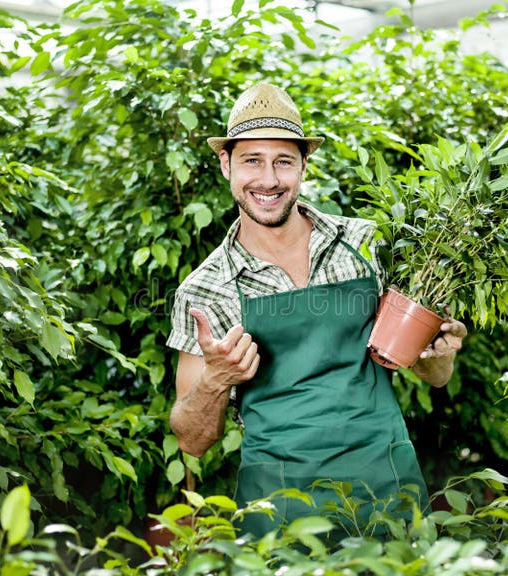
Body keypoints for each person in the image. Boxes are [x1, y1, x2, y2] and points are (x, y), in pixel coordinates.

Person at [166, 82, 467, 538]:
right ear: (225, 163)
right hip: (283, 510)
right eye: (252, 160)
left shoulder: (369, 245)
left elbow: (436, 376)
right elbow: (191, 440)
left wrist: (437, 354)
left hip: (389, 488)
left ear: (304, 165)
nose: (268, 179)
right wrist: (216, 379)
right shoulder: (205, 290)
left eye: (283, 161)